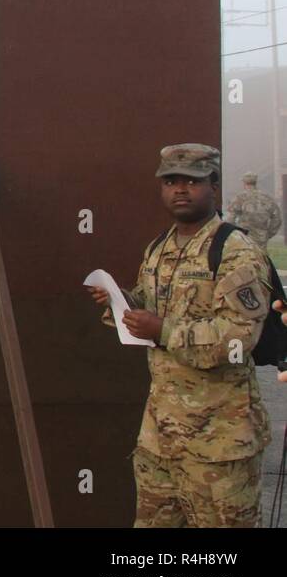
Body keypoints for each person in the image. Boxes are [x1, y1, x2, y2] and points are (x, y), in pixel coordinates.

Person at [86, 144, 271, 527]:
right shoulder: (159, 248)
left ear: (214, 187)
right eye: (171, 181)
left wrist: (162, 330)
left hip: (220, 443)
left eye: (193, 181)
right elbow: (153, 306)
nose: (180, 189)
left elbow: (238, 339)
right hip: (161, 437)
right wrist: (121, 299)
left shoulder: (236, 251)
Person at [227, 172, 282, 250]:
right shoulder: (266, 198)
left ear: (244, 183)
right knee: (261, 259)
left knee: (245, 260)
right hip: (261, 237)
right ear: (255, 182)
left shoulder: (240, 198)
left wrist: (234, 233)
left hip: (244, 236)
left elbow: (230, 219)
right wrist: (269, 233)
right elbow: (277, 219)